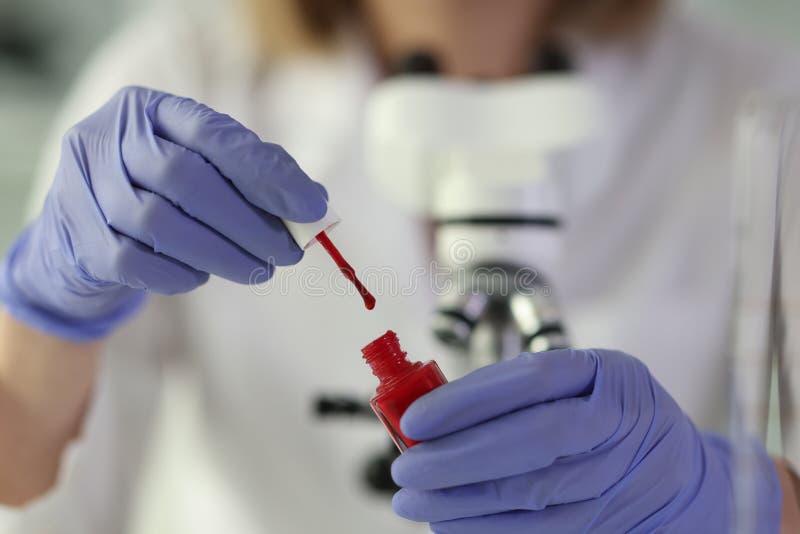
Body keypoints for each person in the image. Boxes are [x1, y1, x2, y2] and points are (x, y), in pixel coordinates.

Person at [1, 0, 799, 532]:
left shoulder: (763, 111)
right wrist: (51, 304)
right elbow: (21, 479)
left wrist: (738, 503)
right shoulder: (179, 83)